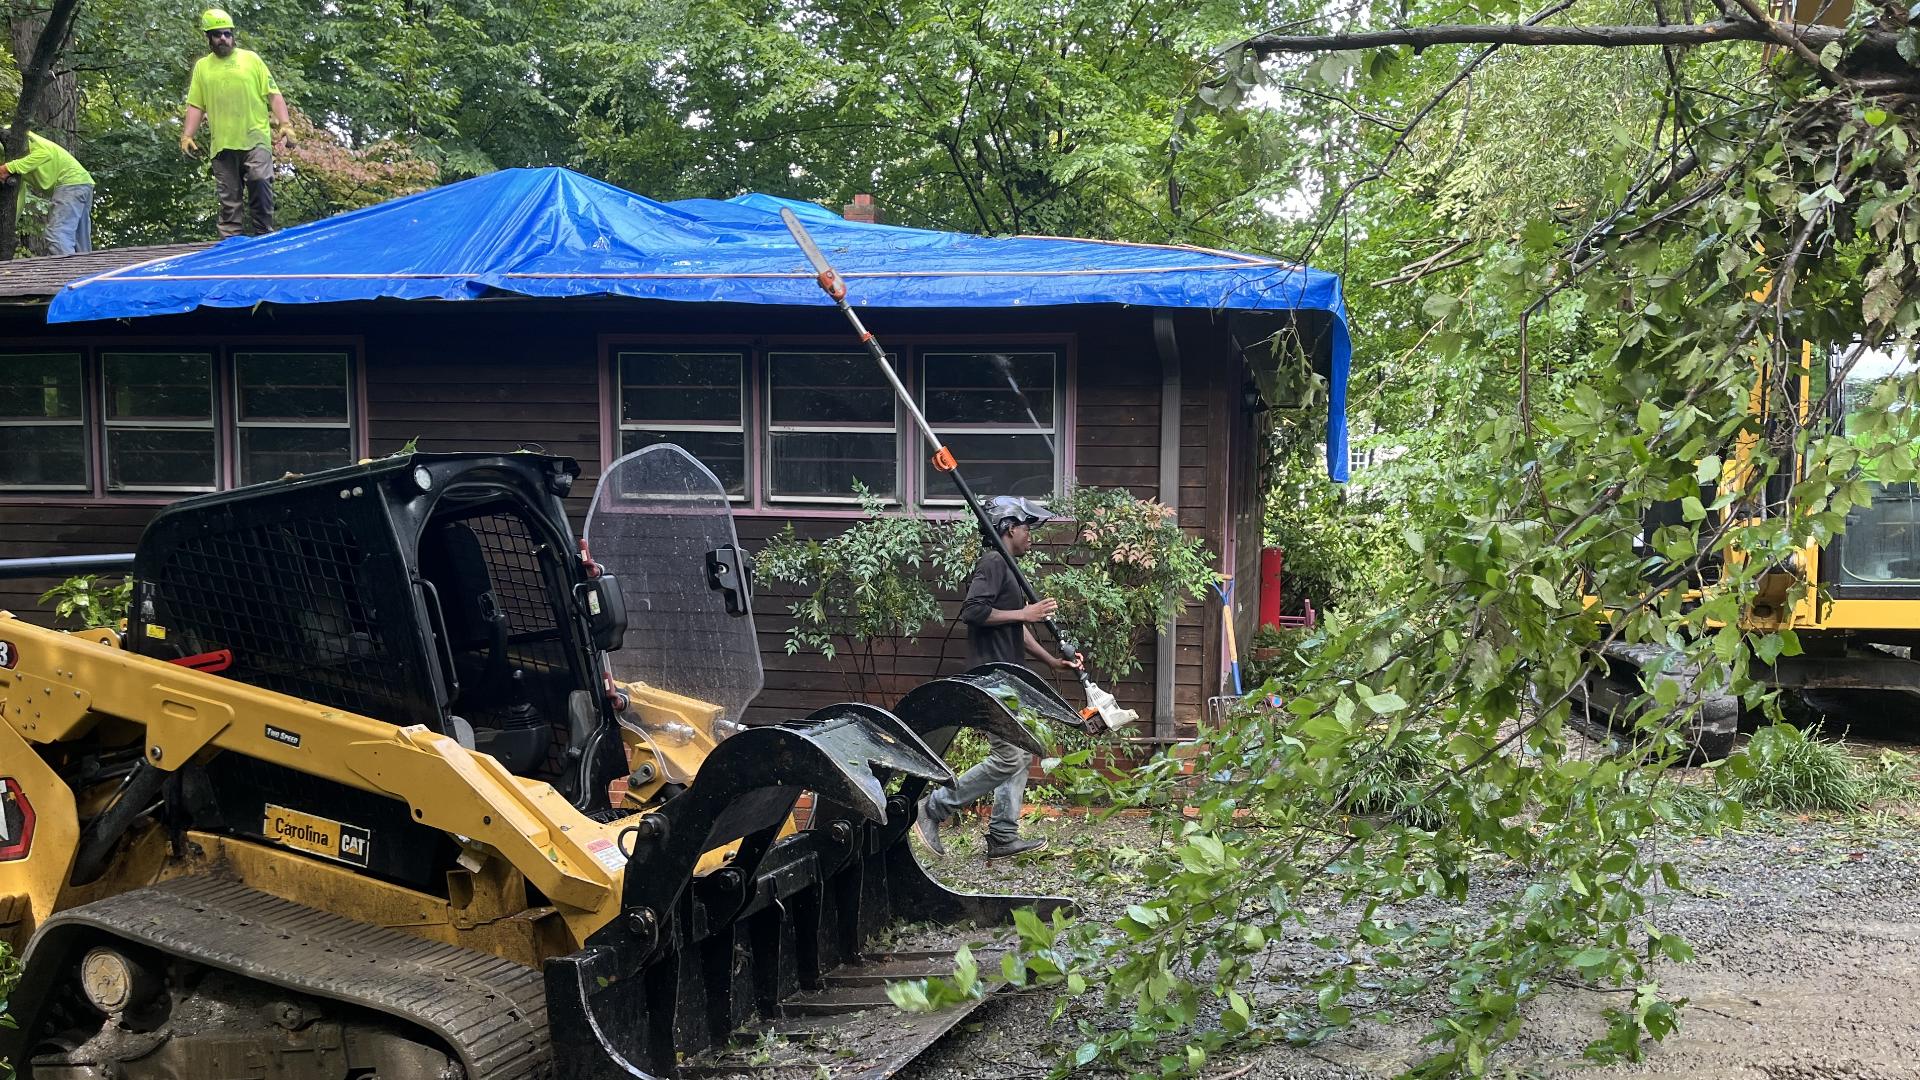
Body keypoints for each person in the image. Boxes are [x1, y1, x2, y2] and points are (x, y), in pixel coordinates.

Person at [915, 495, 1081, 861]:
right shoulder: (992, 561)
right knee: (1008, 757)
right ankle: (933, 807)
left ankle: (1003, 835)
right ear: (1007, 528)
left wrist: (1051, 661)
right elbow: (974, 612)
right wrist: (1026, 611)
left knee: (1020, 754)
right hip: (991, 681)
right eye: (1026, 528)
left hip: (1007, 677)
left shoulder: (1007, 567)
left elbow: (1016, 627)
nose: (1030, 536)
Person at [179, 8, 293, 238]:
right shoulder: (203, 67)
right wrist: (187, 135)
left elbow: (273, 94)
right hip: (223, 143)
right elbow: (196, 105)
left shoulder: (250, 59)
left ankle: (264, 235)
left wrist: (285, 124)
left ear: (233, 35)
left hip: (255, 137)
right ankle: (231, 245)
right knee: (229, 200)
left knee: (260, 180)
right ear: (208, 38)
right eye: (217, 34)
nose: (223, 38)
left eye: (227, 33)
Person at [0, 131, 93, 255]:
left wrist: (8, 168)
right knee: (80, 240)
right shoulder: (13, 159)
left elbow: (45, 154)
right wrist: (9, 225)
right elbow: (18, 196)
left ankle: (68, 273)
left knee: (57, 236)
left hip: (70, 182)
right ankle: (86, 272)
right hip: (81, 182)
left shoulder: (12, 134)